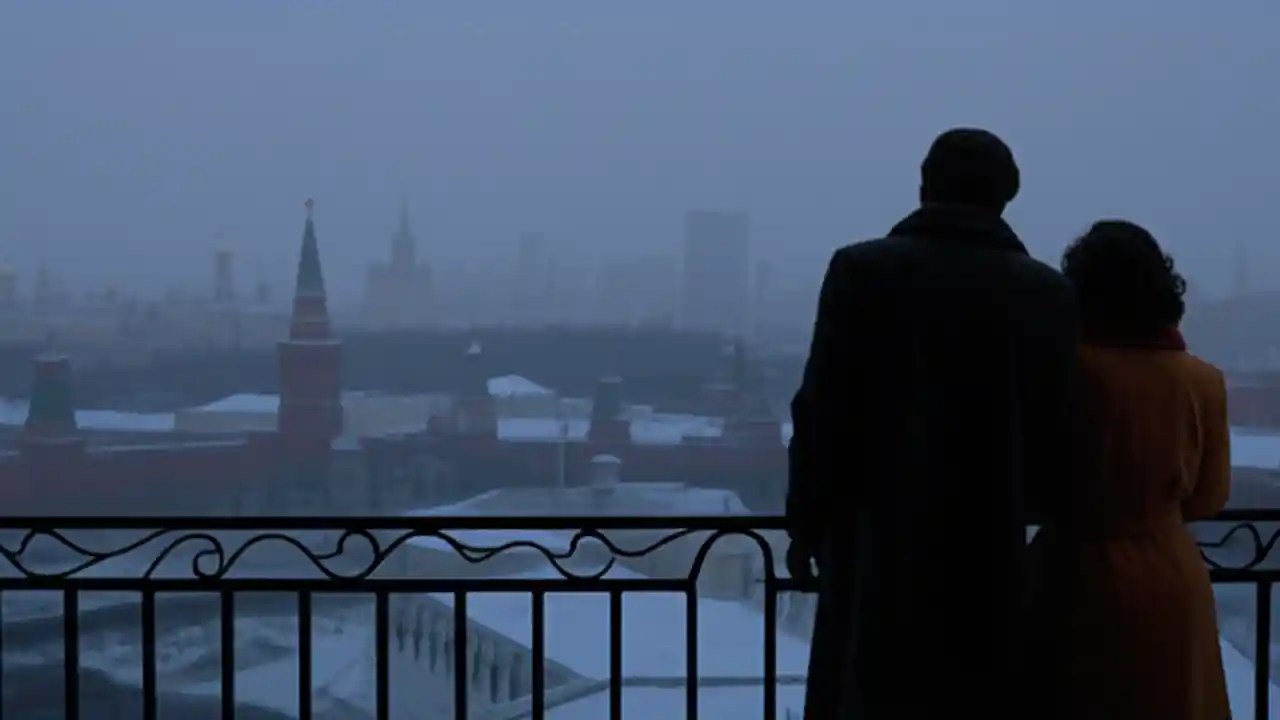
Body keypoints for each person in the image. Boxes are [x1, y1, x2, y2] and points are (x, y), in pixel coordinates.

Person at [785, 127, 1079, 719]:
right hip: (990, 550)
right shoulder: (1046, 292)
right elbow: (1058, 431)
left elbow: (822, 408)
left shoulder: (861, 271)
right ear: (1007, 195)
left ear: (924, 187)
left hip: (875, 545)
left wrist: (806, 523)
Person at [1025, 220, 1230, 719]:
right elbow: (1209, 496)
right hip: (1171, 577)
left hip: (1074, 576)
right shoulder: (1202, 380)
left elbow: (1031, 483)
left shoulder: (1060, 370)